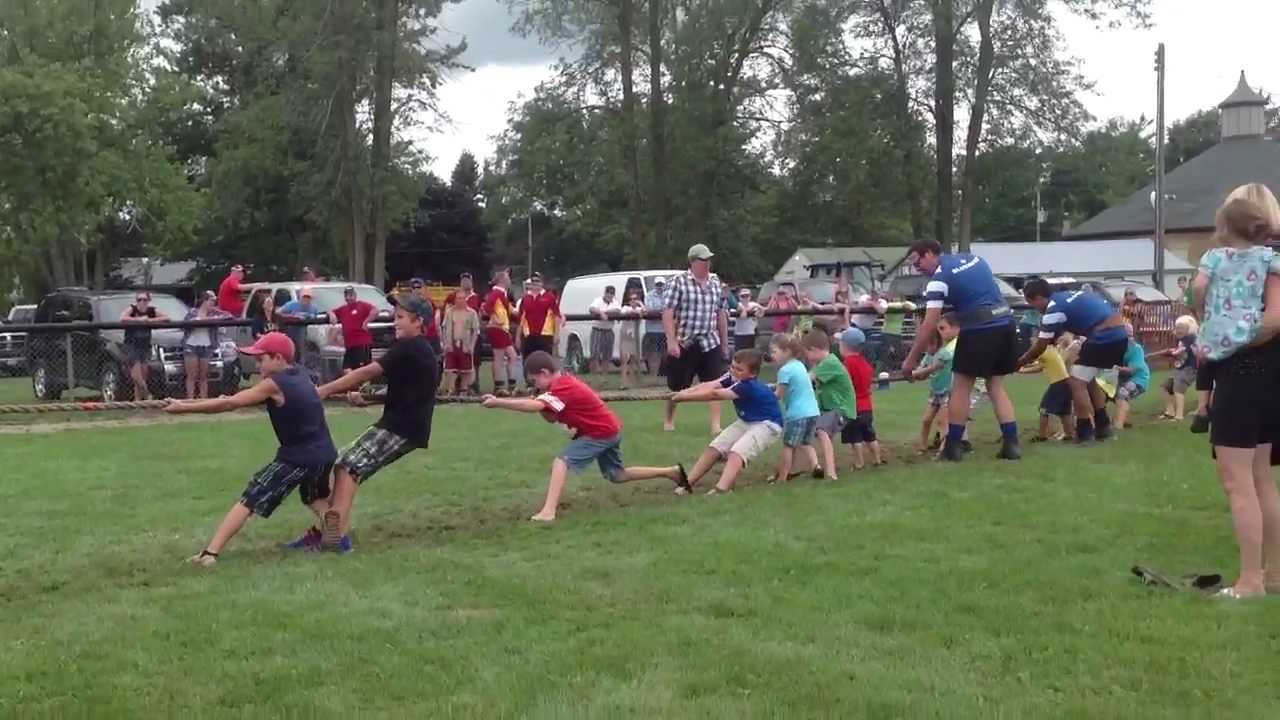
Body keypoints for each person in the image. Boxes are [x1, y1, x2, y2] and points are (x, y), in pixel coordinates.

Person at [168, 332, 337, 565]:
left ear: (278, 358)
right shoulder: (301, 374)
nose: (257, 365)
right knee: (314, 497)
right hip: (325, 452)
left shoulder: (274, 384)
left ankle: (210, 554)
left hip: (298, 457)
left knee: (250, 499)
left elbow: (231, 404)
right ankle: (338, 539)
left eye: (261, 359)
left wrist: (183, 407)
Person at [1190, 196, 1280, 599]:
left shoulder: (1217, 258)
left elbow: (1200, 290)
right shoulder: (1270, 261)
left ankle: (1250, 582)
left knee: (1237, 481)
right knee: (1262, 479)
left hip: (1242, 379)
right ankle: (1274, 573)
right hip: (1269, 380)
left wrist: (1223, 338)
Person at [480, 351, 690, 521]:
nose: (534, 385)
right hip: (608, 430)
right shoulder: (558, 385)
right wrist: (541, 404)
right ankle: (671, 472)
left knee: (561, 462)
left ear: (544, 372)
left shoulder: (562, 386)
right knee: (616, 475)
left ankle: (548, 512)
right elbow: (550, 417)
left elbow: (531, 405)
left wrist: (499, 403)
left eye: (534, 381)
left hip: (601, 433)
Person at [311, 295, 439, 552]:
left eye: (401, 318)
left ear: (419, 322)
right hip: (401, 424)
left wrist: (324, 390)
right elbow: (405, 388)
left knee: (348, 466)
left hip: (401, 427)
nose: (395, 323)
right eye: (395, 317)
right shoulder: (418, 349)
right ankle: (327, 532)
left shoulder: (411, 346)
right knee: (344, 464)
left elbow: (368, 371)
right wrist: (368, 396)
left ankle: (339, 537)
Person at [902, 241, 1021, 462]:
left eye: (916, 262)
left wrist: (910, 361)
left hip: (979, 328)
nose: (916, 268)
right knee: (995, 385)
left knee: (961, 387)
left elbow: (929, 324)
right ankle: (1012, 445)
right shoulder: (974, 259)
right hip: (1006, 322)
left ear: (929, 253)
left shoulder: (938, 280)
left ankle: (953, 448)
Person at [1017, 278, 1128, 443]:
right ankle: (1103, 427)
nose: (1035, 308)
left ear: (1038, 297)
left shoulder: (1053, 309)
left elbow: (1041, 346)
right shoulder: (1066, 296)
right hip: (1118, 333)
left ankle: (1085, 432)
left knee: (1076, 383)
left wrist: (1020, 361)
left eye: (1032, 303)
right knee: (1087, 379)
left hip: (1103, 336)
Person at [672, 348, 783, 495]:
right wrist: (686, 391)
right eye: (732, 367)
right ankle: (688, 483)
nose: (734, 371)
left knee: (737, 451)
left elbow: (714, 394)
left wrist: (684, 398)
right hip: (746, 421)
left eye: (740, 370)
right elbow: (710, 385)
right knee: (715, 447)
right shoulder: (732, 377)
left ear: (752, 374)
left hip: (768, 425)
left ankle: (722, 489)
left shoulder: (746, 386)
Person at [663, 244, 730, 434]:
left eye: (709, 259)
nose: (707, 263)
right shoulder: (678, 281)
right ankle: (669, 419)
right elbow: (668, 312)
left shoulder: (716, 281)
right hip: (685, 340)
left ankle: (715, 425)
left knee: (715, 382)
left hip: (710, 340)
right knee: (677, 386)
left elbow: (721, 313)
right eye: (703, 260)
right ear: (692, 262)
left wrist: (724, 343)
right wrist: (671, 341)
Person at [803, 328, 855, 481]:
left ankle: (831, 473)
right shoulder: (823, 363)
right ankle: (827, 468)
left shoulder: (829, 363)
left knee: (821, 431)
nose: (808, 358)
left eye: (808, 354)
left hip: (842, 408)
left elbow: (807, 378)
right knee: (822, 433)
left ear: (814, 349)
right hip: (831, 408)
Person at [768, 333, 821, 483]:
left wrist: (764, 394)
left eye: (774, 351)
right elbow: (791, 385)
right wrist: (773, 386)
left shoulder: (784, 371)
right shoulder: (799, 366)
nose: (772, 355)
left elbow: (778, 394)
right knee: (806, 442)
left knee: (788, 446)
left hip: (797, 414)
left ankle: (782, 478)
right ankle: (816, 466)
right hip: (812, 411)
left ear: (786, 351)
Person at [911, 315, 958, 452]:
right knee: (926, 420)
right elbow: (923, 369)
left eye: (930, 344)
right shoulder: (929, 355)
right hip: (935, 392)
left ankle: (944, 450)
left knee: (943, 422)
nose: (928, 347)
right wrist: (917, 373)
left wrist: (914, 374)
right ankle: (923, 446)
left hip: (947, 392)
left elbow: (933, 368)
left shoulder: (945, 353)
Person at [1018, 330, 1074, 443]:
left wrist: (1019, 366)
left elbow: (1031, 360)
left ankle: (1042, 436)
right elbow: (1040, 367)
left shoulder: (1044, 351)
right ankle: (1069, 435)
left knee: (1043, 410)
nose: (1031, 341)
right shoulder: (1050, 350)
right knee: (1064, 412)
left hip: (1058, 383)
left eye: (1034, 339)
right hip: (1066, 383)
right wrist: (1022, 371)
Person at [840, 328, 883, 469]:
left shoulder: (847, 363)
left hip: (853, 406)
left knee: (855, 438)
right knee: (870, 435)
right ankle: (877, 460)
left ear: (846, 346)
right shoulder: (865, 363)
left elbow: (845, 382)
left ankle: (859, 464)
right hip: (867, 406)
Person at [119, 292, 169, 401]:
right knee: (138, 378)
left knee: (142, 378)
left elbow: (166, 318)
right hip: (131, 347)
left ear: (148, 301)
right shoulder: (132, 310)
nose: (142, 302)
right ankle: (149, 397)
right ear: (136, 301)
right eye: (139, 300)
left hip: (145, 347)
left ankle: (139, 404)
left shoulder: (151, 311)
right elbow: (122, 318)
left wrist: (150, 320)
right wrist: (139, 320)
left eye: (145, 299)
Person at [183, 291, 233, 399]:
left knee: (204, 376)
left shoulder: (214, 313)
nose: (213, 303)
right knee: (192, 375)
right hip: (191, 345)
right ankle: (190, 400)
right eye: (211, 301)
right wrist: (204, 319)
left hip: (206, 345)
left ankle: (203, 400)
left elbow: (229, 316)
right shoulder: (192, 312)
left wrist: (215, 315)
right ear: (205, 301)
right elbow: (186, 323)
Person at [1154, 316, 1198, 421]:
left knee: (1178, 390)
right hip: (1180, 368)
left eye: (1181, 328)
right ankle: (1170, 412)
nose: (1178, 330)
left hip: (1189, 368)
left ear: (1189, 329)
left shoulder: (1190, 338)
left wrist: (1170, 353)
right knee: (1166, 387)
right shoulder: (1181, 340)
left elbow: (1179, 351)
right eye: (1177, 328)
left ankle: (1179, 415)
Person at [484, 271, 520, 396]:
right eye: (508, 279)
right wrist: (494, 318)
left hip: (503, 329)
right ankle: (498, 386)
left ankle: (511, 385)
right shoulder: (496, 293)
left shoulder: (502, 294)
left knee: (513, 356)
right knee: (499, 358)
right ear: (503, 281)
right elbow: (487, 308)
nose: (510, 281)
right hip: (497, 329)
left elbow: (512, 311)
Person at [441, 289, 480, 396]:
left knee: (466, 370)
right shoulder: (450, 312)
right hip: (451, 344)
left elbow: (475, 330)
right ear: (455, 299)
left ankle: (463, 391)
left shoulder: (471, 313)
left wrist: (472, 345)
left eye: (463, 298)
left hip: (465, 344)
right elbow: (444, 328)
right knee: (450, 369)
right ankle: (451, 390)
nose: (461, 300)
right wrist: (445, 343)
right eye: (459, 298)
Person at [330, 285, 377, 374]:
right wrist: (331, 315)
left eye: (350, 295)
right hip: (349, 345)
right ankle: (355, 386)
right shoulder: (343, 309)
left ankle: (363, 387)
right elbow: (331, 311)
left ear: (355, 295)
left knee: (361, 371)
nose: (348, 298)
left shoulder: (362, 305)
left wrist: (366, 322)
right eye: (346, 296)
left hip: (362, 344)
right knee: (346, 369)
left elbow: (375, 310)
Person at [1114, 323, 1150, 431]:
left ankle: (1118, 425)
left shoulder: (1136, 349)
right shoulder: (1116, 347)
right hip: (1123, 378)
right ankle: (1120, 420)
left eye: (1129, 336)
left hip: (1139, 379)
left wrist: (1115, 367)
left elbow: (1131, 370)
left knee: (1123, 393)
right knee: (1112, 394)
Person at [518, 273, 561, 359]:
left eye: (537, 281)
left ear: (542, 283)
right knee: (528, 361)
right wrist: (518, 337)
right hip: (529, 335)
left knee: (545, 361)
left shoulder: (549, 297)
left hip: (545, 335)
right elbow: (521, 319)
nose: (535, 283)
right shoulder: (526, 298)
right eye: (533, 281)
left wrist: (556, 334)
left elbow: (556, 316)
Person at [588, 285, 620, 375]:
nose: (609, 295)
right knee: (595, 354)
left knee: (607, 354)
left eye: (612, 293)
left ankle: (604, 375)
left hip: (609, 330)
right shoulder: (598, 300)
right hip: (597, 330)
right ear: (605, 293)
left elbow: (617, 310)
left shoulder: (615, 302)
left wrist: (606, 312)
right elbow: (591, 309)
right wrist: (601, 313)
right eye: (608, 293)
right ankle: (594, 375)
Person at [618, 286, 645, 389]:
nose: (633, 301)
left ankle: (632, 382)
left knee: (633, 359)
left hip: (635, 336)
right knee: (625, 358)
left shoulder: (639, 308)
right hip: (625, 335)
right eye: (631, 299)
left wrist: (641, 304)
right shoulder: (625, 308)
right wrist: (636, 312)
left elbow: (644, 312)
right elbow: (624, 313)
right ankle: (623, 382)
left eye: (635, 299)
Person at [643, 277, 669, 375]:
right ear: (655, 285)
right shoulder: (649, 295)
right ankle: (653, 376)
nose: (660, 287)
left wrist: (660, 312)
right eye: (658, 284)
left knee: (666, 354)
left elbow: (669, 308)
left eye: (661, 284)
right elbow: (649, 310)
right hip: (652, 330)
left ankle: (664, 375)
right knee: (653, 355)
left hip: (665, 330)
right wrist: (661, 312)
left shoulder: (668, 295)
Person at [733, 288, 765, 353]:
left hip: (751, 334)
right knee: (739, 354)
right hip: (739, 335)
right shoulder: (737, 305)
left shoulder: (754, 304)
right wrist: (750, 310)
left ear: (750, 297)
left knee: (750, 354)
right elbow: (742, 315)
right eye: (743, 296)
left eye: (747, 296)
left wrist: (759, 310)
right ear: (739, 297)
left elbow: (763, 311)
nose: (745, 298)